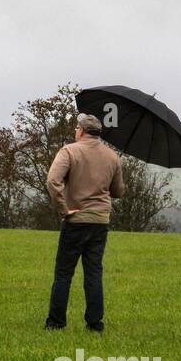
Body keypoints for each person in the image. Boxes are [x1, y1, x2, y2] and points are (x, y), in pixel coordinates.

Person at [44, 113, 124, 331]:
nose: (74, 131)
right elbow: (119, 191)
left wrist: (63, 208)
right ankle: (95, 323)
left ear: (81, 130)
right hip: (100, 221)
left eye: (76, 128)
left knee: (63, 273)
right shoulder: (112, 156)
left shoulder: (69, 151)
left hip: (75, 219)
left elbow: (52, 180)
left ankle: (56, 322)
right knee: (94, 273)